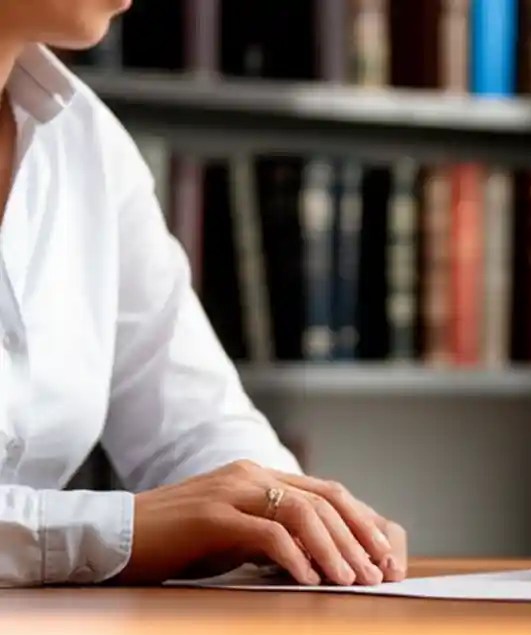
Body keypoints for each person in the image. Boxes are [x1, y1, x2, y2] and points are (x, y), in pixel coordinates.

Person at [0, 1, 406, 587]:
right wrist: (122, 530)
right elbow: (138, 523)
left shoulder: (83, 140)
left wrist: (293, 512)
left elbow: (194, 422)